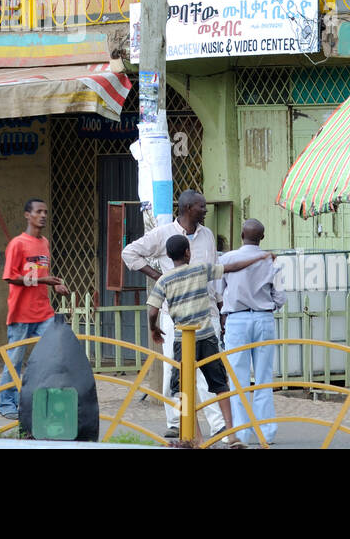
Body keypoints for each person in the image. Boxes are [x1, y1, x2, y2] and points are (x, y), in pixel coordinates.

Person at [147, 233, 273, 446]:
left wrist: (154, 328)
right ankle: (232, 435)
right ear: (188, 252)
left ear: (168, 256)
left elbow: (152, 310)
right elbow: (231, 268)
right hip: (206, 337)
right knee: (219, 385)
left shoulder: (164, 280)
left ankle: (194, 438)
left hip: (181, 341)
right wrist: (259, 258)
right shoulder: (199, 270)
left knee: (181, 390)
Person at [121, 188, 226, 437]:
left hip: (206, 311)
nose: (205, 209)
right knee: (175, 369)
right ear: (188, 208)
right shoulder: (163, 233)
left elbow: (214, 274)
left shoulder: (207, 235)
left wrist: (221, 307)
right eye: (201, 206)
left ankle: (217, 423)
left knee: (210, 369)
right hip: (174, 314)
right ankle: (177, 422)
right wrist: (160, 277)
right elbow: (129, 253)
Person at [0, 198, 68, 420]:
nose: (43, 215)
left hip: (44, 312)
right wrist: (42, 280)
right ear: (28, 215)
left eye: (45, 211)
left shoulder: (44, 242)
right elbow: (11, 277)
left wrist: (55, 284)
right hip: (20, 314)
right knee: (15, 361)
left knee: (51, 357)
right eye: (38, 212)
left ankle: (42, 401)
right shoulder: (17, 244)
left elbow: (43, 273)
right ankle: (7, 403)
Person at [220, 218, 285, 446]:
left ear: (241, 235)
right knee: (264, 377)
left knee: (238, 380)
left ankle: (241, 433)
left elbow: (220, 293)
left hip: (236, 320)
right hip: (263, 318)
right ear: (262, 237)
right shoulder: (272, 261)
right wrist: (267, 306)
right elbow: (280, 297)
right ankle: (265, 433)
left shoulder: (227, 259)